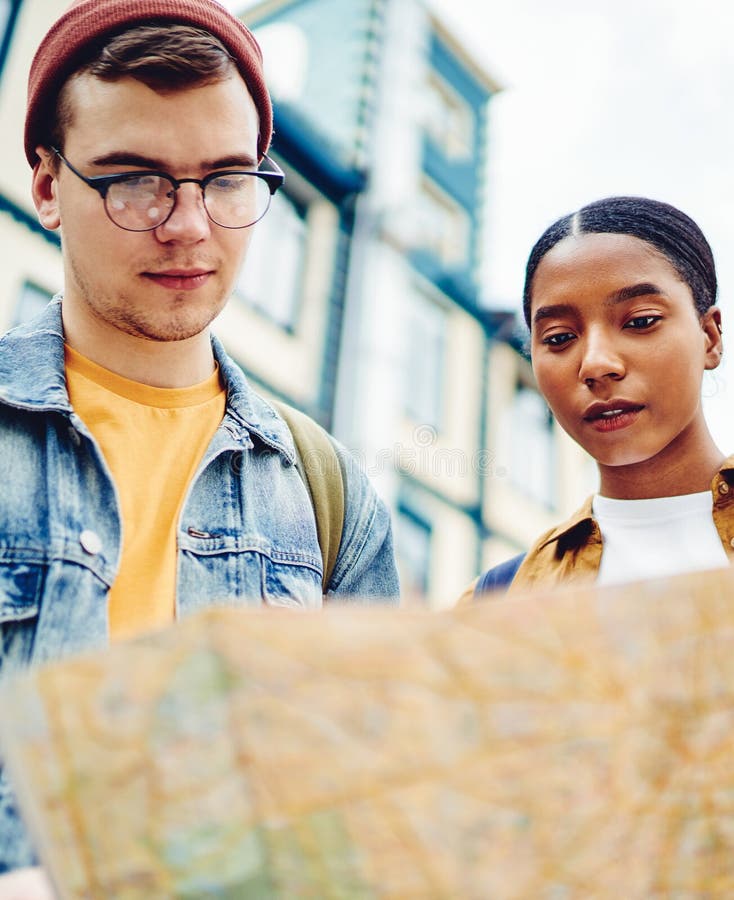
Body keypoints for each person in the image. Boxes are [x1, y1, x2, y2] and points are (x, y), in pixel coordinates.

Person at [0, 0, 399, 885]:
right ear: (45, 183)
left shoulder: (332, 499)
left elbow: (366, 826)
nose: (188, 225)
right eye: (134, 179)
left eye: (225, 180)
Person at [465, 194, 731, 601]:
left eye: (641, 321)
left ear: (710, 337)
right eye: (559, 338)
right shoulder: (502, 600)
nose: (595, 365)